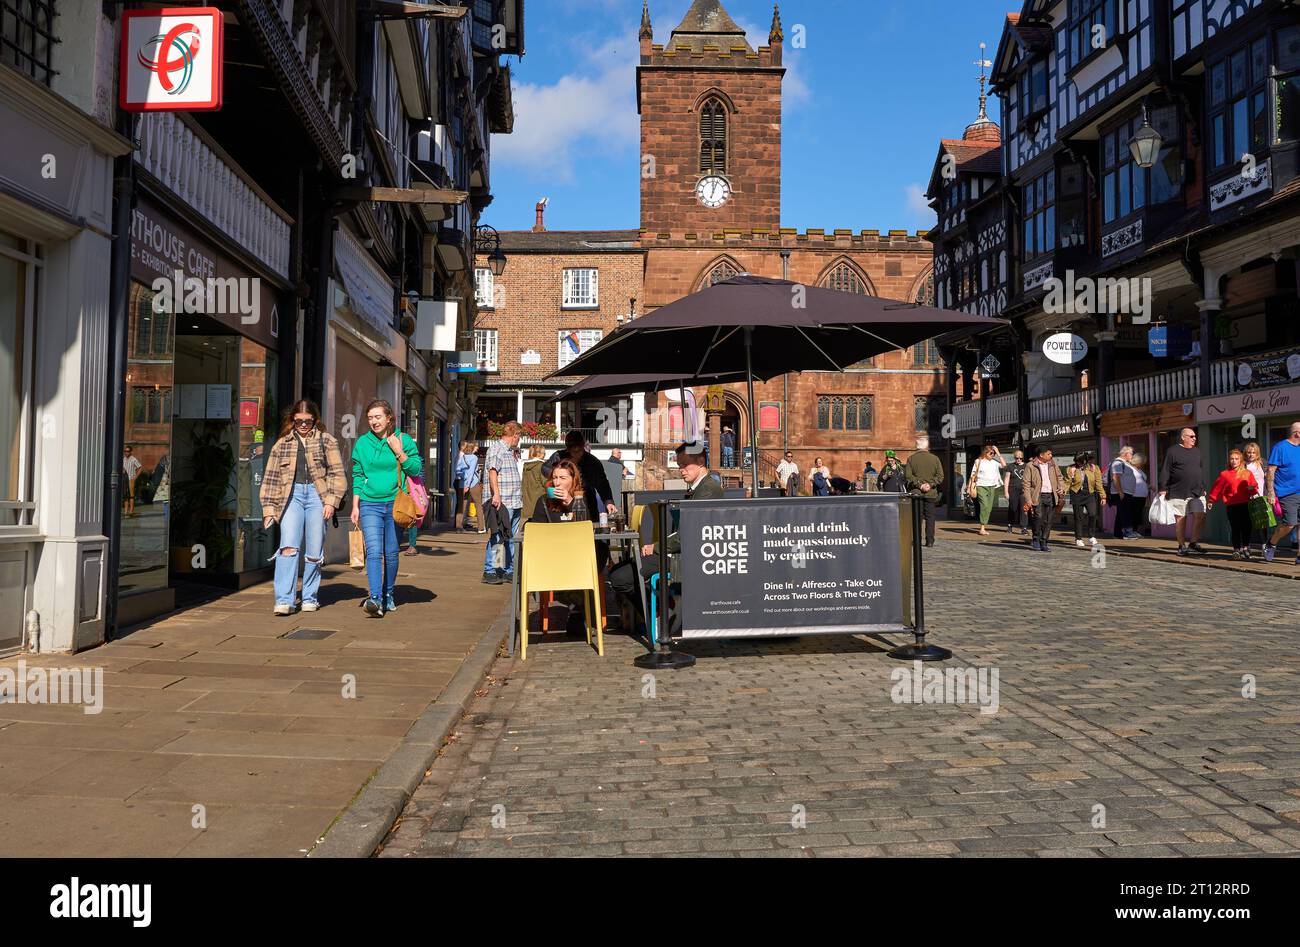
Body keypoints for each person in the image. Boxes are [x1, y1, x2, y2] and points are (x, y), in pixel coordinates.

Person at [609, 440, 724, 635]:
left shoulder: (708, 490)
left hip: (687, 558)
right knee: (621, 570)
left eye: (685, 465)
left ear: (701, 462)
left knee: (621, 576)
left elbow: (691, 534)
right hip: (678, 552)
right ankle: (661, 609)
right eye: (679, 465)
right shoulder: (699, 488)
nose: (681, 470)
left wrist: (656, 547)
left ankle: (660, 614)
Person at [260, 401, 346, 615]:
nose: (303, 425)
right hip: (291, 497)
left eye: (307, 421)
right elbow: (271, 478)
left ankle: (309, 597)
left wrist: (331, 502)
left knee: (314, 551)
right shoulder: (281, 444)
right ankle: (284, 600)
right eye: (299, 421)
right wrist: (269, 509)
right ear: (293, 420)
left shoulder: (327, 441)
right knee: (288, 547)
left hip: (318, 496)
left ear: (315, 420)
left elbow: (337, 474)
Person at [350, 400, 422, 616]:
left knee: (391, 553)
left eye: (378, 417)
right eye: (370, 417)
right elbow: (358, 475)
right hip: (370, 503)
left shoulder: (403, 440)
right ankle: (375, 598)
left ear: (389, 417)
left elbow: (416, 469)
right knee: (373, 551)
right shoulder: (362, 443)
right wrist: (355, 505)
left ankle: (388, 593)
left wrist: (399, 451)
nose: (374, 421)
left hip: (395, 504)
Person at [543, 431, 619, 571]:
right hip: (560, 503)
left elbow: (602, 483)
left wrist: (608, 501)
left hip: (586, 501)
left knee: (592, 537)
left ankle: (589, 569)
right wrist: (560, 479)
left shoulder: (592, 462)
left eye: (578, 451)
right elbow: (545, 468)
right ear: (567, 448)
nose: (575, 455)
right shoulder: (559, 456)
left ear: (583, 447)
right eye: (572, 451)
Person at [482, 421, 524, 585]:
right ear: (515, 435)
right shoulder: (497, 448)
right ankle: (491, 570)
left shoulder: (508, 451)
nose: (519, 439)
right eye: (519, 436)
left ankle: (506, 570)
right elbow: (493, 472)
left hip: (513, 501)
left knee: (510, 537)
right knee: (498, 536)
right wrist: (496, 495)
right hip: (503, 501)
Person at [1160, 427, 1208, 557]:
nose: (1194, 438)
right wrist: (1163, 488)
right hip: (1178, 490)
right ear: (1183, 437)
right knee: (1181, 519)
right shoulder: (1173, 451)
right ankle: (1181, 546)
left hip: (1197, 491)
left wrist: (1203, 487)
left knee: (1201, 515)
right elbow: (1166, 470)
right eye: (1191, 436)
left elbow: (1199, 470)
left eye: (1195, 436)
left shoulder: (1197, 452)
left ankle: (1193, 543)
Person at [1208, 448, 1259, 559]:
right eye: (1232, 459)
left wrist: (1252, 488)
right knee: (1235, 527)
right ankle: (1236, 549)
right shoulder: (1225, 474)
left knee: (1247, 526)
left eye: (1236, 459)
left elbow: (1254, 487)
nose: (1234, 461)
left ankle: (1245, 547)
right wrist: (1211, 500)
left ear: (1240, 460)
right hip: (1232, 505)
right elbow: (1217, 488)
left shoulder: (1247, 473)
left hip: (1246, 503)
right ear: (1229, 460)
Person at [1264, 421, 1300, 564]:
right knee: (1289, 524)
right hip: (1287, 492)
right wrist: (1271, 493)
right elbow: (1271, 471)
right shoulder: (1280, 448)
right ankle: (1271, 543)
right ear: (1297, 433)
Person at [1024, 444, 1064, 552]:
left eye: (1051, 454)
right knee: (1038, 517)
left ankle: (1044, 541)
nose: (1051, 456)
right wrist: (1028, 500)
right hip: (1038, 495)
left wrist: (1061, 487)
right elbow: (1026, 484)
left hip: (1051, 495)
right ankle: (1036, 539)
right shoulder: (1030, 465)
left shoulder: (1052, 464)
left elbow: (1059, 477)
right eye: (1049, 454)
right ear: (1041, 455)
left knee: (1048, 520)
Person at [905, 437, 944, 547]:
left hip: (916, 492)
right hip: (931, 493)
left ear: (917, 446)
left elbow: (908, 476)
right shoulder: (935, 458)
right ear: (927, 446)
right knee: (930, 518)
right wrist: (930, 484)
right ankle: (930, 540)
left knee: (917, 517)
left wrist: (920, 485)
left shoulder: (911, 459)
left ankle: (917, 540)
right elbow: (940, 476)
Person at [1064, 451, 1106, 547]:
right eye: (1077, 461)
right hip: (1077, 494)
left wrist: (1103, 496)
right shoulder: (1071, 468)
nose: (1079, 463)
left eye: (1081, 461)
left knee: (1093, 514)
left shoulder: (1094, 468)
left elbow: (1099, 483)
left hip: (1089, 494)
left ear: (1086, 461)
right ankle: (1078, 538)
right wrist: (1062, 493)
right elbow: (1067, 482)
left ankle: (1091, 536)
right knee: (1078, 517)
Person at [532, 458, 589, 523]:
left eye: (562, 478)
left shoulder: (580, 498)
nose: (557, 483)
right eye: (555, 478)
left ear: (574, 480)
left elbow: (585, 525)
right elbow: (537, 528)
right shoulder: (544, 501)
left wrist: (570, 501)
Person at [967, 444, 1005, 536]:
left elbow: (1004, 465)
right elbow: (973, 475)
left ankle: (983, 525)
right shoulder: (978, 461)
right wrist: (969, 487)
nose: (993, 455)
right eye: (991, 453)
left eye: (993, 453)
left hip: (992, 486)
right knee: (984, 505)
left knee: (989, 507)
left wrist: (998, 453)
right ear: (985, 453)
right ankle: (982, 527)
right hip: (981, 486)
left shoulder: (994, 462)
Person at [1243, 440, 1268, 555]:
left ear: (1257, 453)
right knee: (1247, 523)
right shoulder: (1242, 464)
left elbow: (1269, 478)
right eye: (1248, 452)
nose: (1251, 455)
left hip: (1261, 496)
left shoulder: (1263, 463)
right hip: (1247, 498)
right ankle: (1246, 546)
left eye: (1253, 452)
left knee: (1263, 523)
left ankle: (1264, 547)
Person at [454, 440, 484, 533]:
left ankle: (459, 527)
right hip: (473, 484)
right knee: (478, 505)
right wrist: (468, 484)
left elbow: (457, 470)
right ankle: (481, 528)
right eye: (476, 446)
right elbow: (471, 472)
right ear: (472, 447)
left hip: (462, 483)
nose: (477, 448)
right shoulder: (474, 457)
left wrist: (464, 478)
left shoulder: (462, 457)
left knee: (461, 506)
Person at [1107, 446, 1134, 538]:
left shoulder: (1124, 463)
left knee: (1121, 513)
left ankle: (1118, 533)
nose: (1132, 456)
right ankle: (1128, 533)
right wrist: (1120, 492)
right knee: (1125, 513)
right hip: (1121, 492)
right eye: (1131, 454)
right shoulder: (1118, 463)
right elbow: (1115, 477)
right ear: (1126, 454)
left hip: (1125, 492)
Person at [520, 445, 548, 526]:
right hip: (539, 497)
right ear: (539, 454)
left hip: (528, 497)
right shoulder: (541, 465)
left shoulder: (526, 466)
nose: (545, 455)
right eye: (544, 453)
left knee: (532, 519)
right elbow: (545, 482)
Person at [1003, 449, 1028, 535]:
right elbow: (1006, 479)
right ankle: (1010, 525)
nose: (1019, 459)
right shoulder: (1010, 466)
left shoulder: (1026, 466)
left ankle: (1024, 527)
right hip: (1013, 490)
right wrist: (1006, 492)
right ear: (1014, 457)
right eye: (1017, 458)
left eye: (1020, 458)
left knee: (1024, 509)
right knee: (1013, 508)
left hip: (1024, 490)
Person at [1127, 452, 1151, 536]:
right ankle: (1131, 531)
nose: (1143, 464)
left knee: (1138, 513)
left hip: (1141, 496)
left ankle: (1135, 531)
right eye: (1142, 463)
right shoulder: (1130, 469)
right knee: (1134, 514)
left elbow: (1141, 481)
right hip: (1134, 496)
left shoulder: (1139, 470)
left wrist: (1148, 486)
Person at [122, 445, 142, 517]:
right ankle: (126, 511)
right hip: (124, 479)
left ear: (130, 452)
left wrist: (135, 477)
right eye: (125, 451)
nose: (126, 453)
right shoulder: (123, 459)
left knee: (131, 495)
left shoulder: (133, 459)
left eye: (127, 451)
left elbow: (140, 467)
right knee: (125, 495)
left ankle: (131, 511)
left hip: (131, 479)